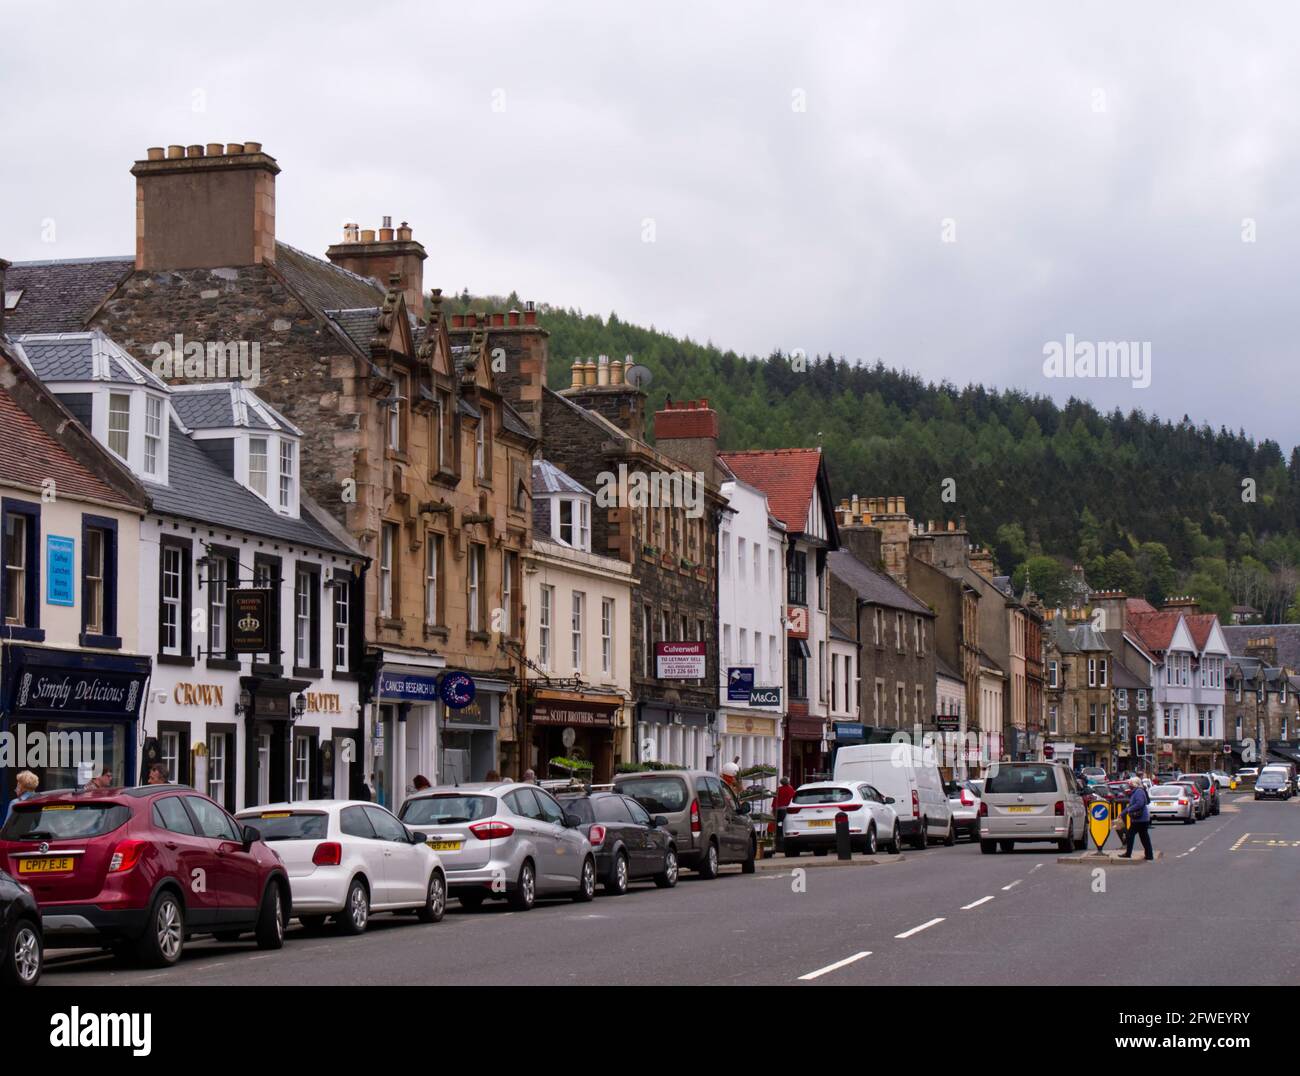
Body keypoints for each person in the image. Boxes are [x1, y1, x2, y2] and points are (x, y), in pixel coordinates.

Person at [1121, 776, 1153, 861]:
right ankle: (1149, 855)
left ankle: (1128, 854)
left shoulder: (1138, 791)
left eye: (1130, 784)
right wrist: (1122, 814)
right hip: (1141, 819)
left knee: (1130, 835)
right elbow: (1131, 805)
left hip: (1139, 819)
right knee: (1144, 837)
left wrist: (1129, 810)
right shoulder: (1136, 791)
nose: (1129, 785)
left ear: (1134, 784)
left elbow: (1140, 803)